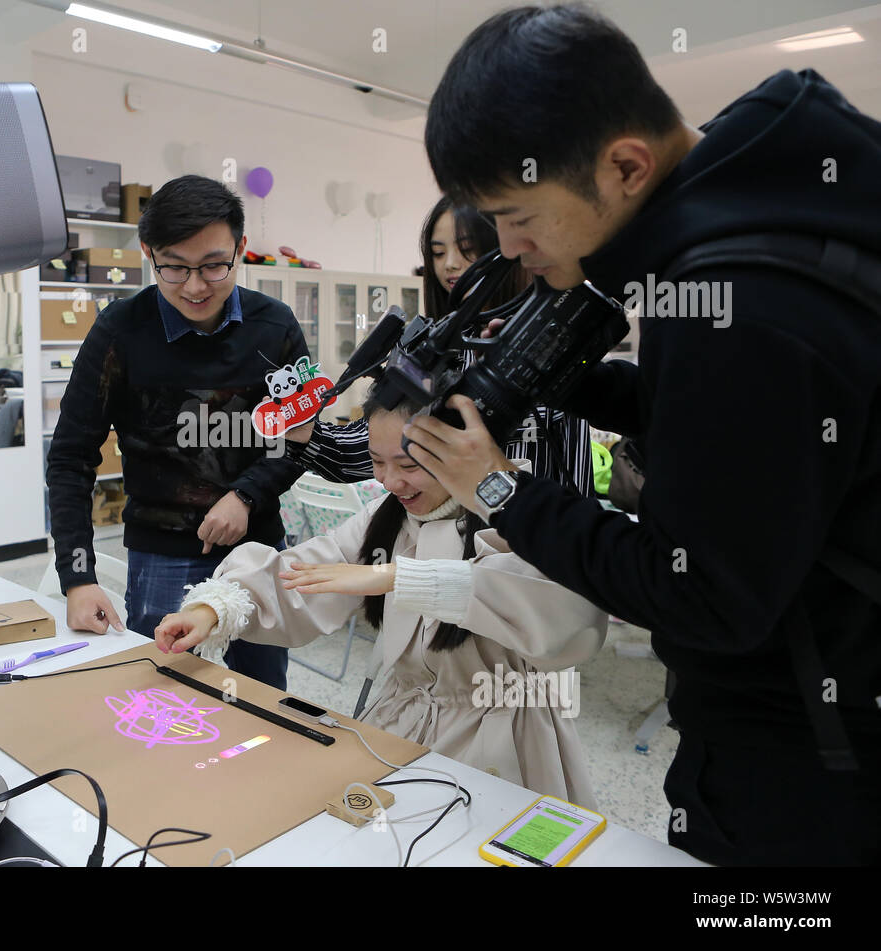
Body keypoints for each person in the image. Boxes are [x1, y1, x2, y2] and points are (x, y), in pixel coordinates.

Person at [407, 4, 881, 864]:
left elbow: (707, 597)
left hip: (806, 754)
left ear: (626, 165)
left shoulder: (740, 307)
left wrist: (501, 490)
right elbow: (736, 430)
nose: (508, 250)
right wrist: (576, 380)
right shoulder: (769, 202)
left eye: (518, 217)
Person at [154, 385, 607, 805]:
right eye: (377, 462)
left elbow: (566, 618)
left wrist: (400, 577)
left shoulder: (524, 513)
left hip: (505, 736)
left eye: (409, 465)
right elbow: (305, 572)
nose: (390, 481)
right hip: (403, 723)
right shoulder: (385, 516)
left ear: (471, 448)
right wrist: (213, 607)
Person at [46, 175, 307, 690]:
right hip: (160, 553)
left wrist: (246, 497)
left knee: (262, 697)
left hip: (254, 555)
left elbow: (298, 439)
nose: (194, 286)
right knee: (160, 695)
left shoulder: (274, 327)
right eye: (174, 266)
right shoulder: (120, 331)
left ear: (241, 249)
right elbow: (71, 456)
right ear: (147, 253)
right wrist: (77, 577)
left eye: (214, 265)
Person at [283, 198, 594, 496]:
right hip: (447, 543)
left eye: (467, 249)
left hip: (531, 535)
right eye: (438, 252)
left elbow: (573, 459)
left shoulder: (549, 339)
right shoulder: (424, 346)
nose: (450, 265)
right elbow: (378, 448)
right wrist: (307, 435)